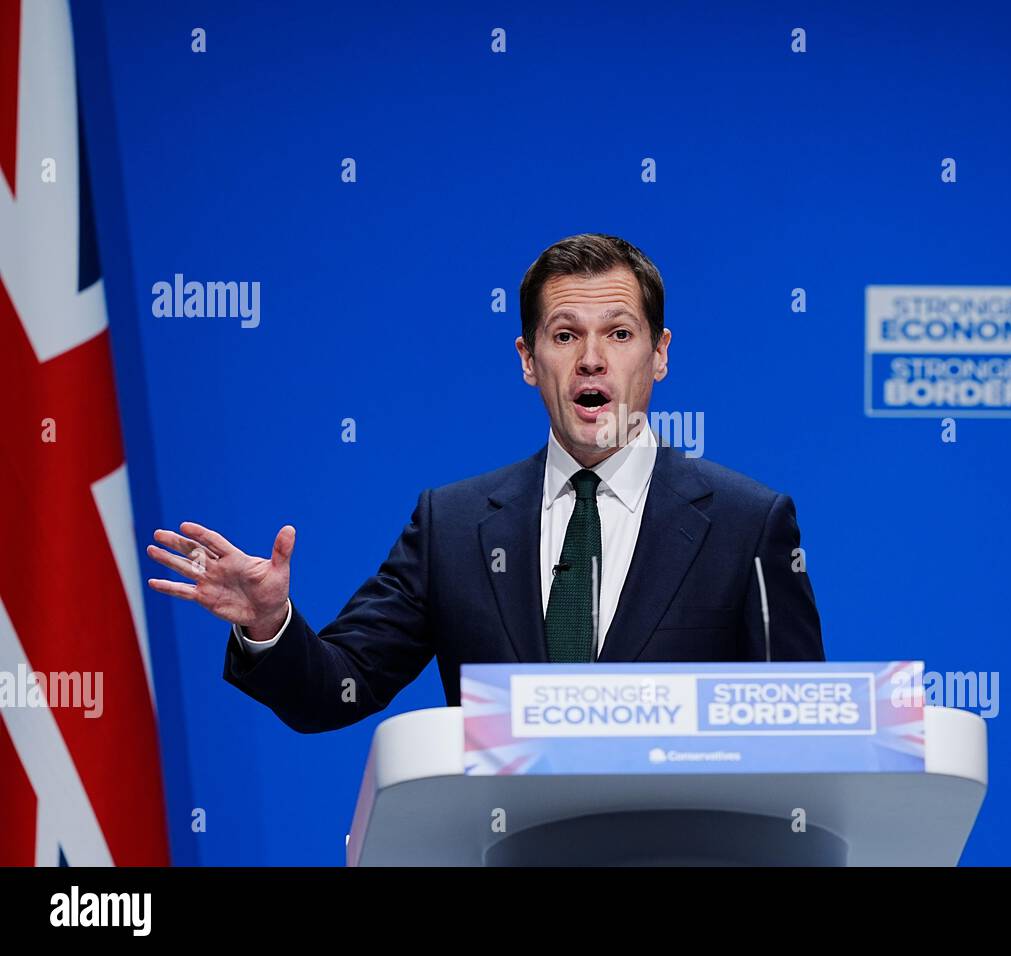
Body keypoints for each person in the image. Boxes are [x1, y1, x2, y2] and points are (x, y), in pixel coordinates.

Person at [146, 234, 824, 732]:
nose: (592, 360)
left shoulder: (746, 523)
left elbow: (801, 737)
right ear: (529, 361)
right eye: (565, 336)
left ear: (661, 355)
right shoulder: (454, 525)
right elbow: (336, 690)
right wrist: (270, 625)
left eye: (619, 333)